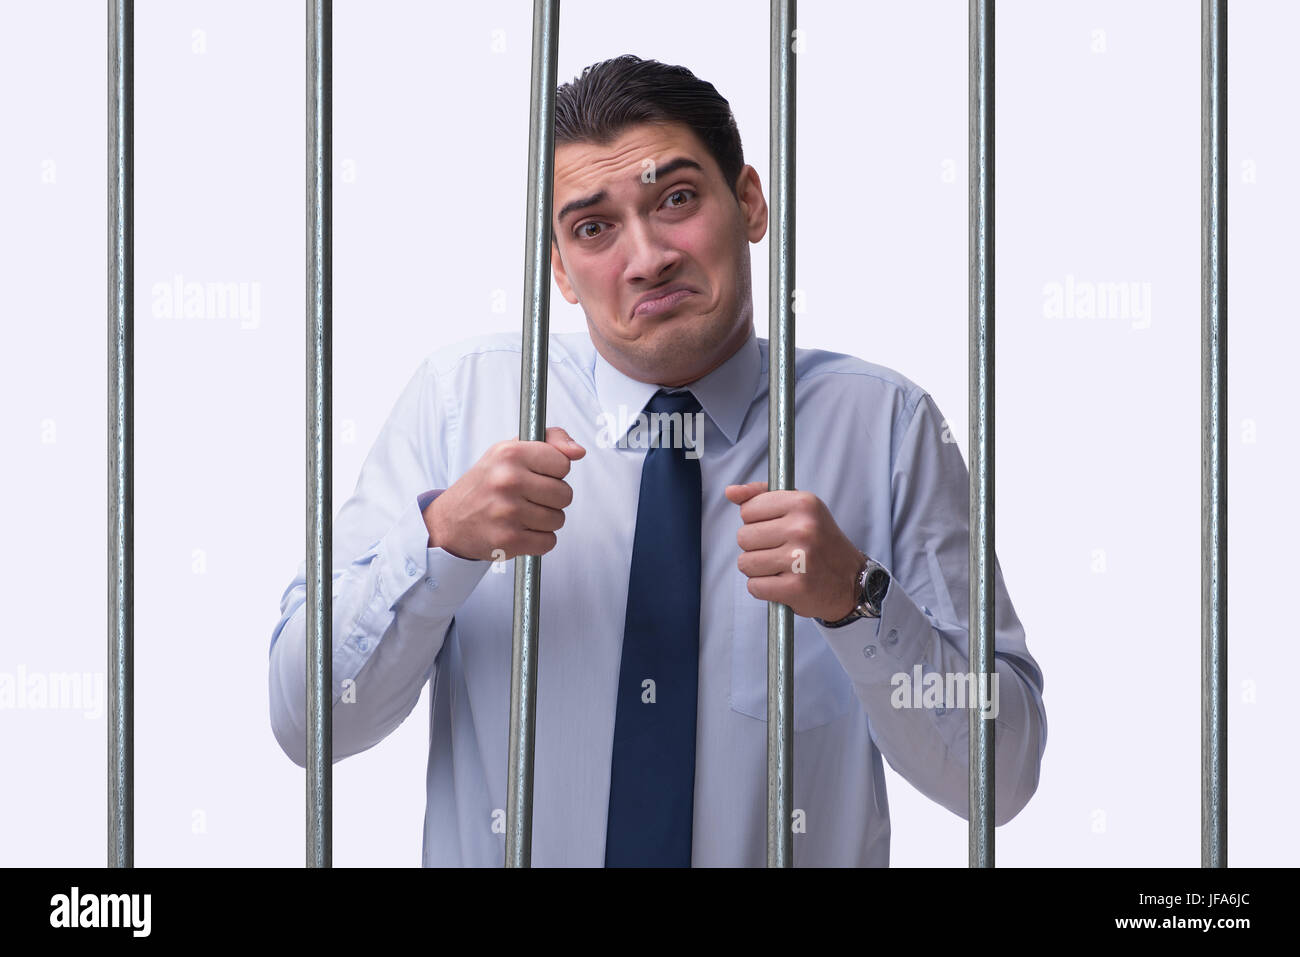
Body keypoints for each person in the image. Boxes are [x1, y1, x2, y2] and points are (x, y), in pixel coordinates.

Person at [268, 54, 1047, 867]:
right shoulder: (461, 403)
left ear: (748, 201)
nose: (647, 258)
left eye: (676, 199)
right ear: (560, 271)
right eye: (593, 227)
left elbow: (1003, 774)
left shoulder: (885, 426)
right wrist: (438, 541)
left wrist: (858, 601)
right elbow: (304, 721)